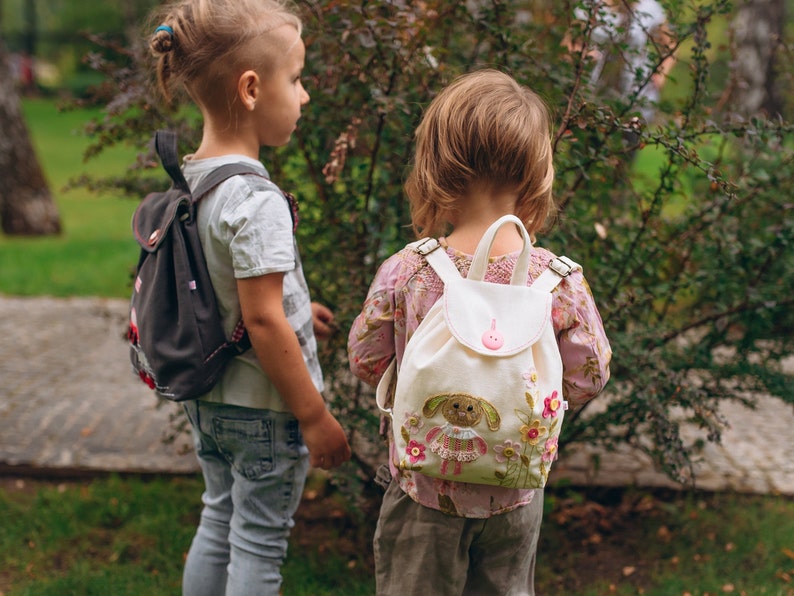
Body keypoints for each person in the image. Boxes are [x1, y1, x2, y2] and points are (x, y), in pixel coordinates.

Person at [347, 69, 612, 595]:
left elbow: (365, 358)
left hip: (423, 490)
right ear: (535, 173)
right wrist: (523, 393)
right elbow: (591, 373)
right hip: (515, 492)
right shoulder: (559, 282)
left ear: (437, 166)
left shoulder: (409, 272)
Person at [146, 1, 351, 594]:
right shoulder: (257, 200)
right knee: (259, 541)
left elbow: (225, 289)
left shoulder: (193, 181)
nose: (304, 95)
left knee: (218, 519)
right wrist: (314, 416)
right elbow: (261, 321)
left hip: (208, 400)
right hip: (267, 408)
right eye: (297, 79)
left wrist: (298, 308)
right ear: (252, 89)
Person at [569, 0, 676, 125]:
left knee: (630, 134)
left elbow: (671, 43)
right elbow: (570, 43)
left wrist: (660, 77)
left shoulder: (649, 7)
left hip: (635, 95)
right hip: (593, 92)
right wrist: (584, 56)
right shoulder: (589, 5)